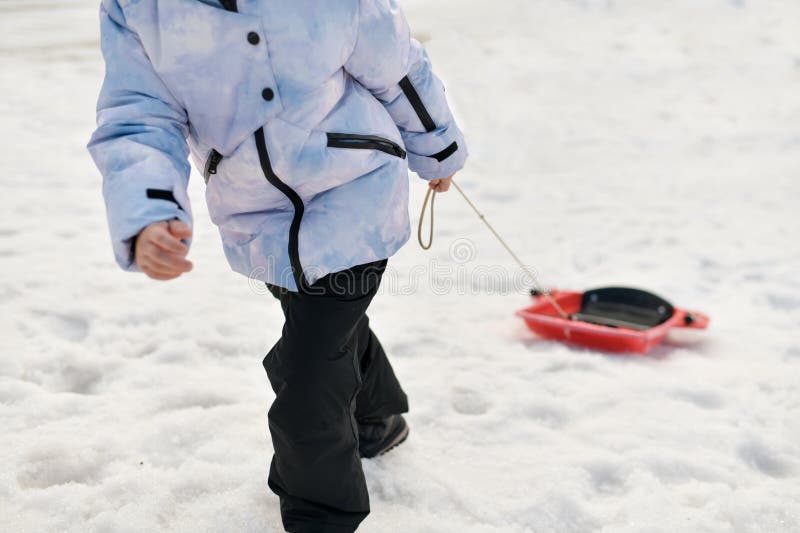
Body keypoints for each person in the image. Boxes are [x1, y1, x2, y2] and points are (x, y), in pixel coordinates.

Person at [88, 0, 468, 531]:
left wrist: (437, 147)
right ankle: (377, 417)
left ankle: (321, 516)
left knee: (308, 370)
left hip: (355, 193)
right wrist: (149, 211)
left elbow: (396, 66)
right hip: (258, 219)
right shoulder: (140, 9)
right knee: (325, 329)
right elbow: (138, 119)